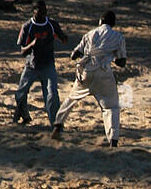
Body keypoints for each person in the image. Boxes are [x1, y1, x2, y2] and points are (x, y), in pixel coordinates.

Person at [51, 9, 127, 146]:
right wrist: (110, 57)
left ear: (100, 21)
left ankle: (58, 124)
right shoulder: (118, 36)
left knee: (72, 98)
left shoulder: (89, 34)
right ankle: (113, 141)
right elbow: (122, 62)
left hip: (85, 72)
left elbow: (74, 55)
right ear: (113, 23)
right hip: (103, 74)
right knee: (111, 107)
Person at [13, 0, 67, 125]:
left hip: (48, 65)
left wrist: (63, 37)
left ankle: (55, 124)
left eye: (44, 12)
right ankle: (25, 116)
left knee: (51, 95)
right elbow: (22, 51)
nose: (42, 15)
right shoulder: (27, 27)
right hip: (31, 66)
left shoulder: (52, 24)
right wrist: (32, 44)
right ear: (33, 12)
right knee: (20, 94)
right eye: (39, 12)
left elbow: (63, 38)